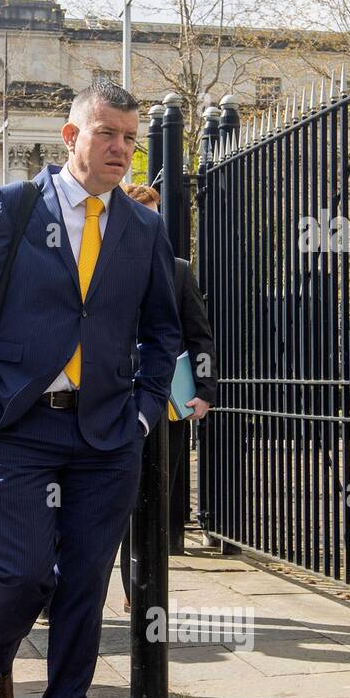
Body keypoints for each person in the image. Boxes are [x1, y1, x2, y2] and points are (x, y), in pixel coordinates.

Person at [0, 81, 182, 698]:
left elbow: (162, 331)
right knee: (25, 571)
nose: (120, 149)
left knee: (84, 584)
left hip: (107, 433)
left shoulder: (143, 230)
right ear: (69, 134)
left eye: (131, 139)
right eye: (107, 133)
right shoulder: (14, 207)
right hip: (17, 423)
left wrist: (143, 412)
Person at [118, 182, 218, 613]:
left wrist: (205, 390)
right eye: (147, 215)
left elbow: (200, 337)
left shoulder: (178, 271)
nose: (155, 224)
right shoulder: (106, 265)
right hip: (113, 402)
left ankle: (140, 591)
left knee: (156, 499)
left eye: (158, 217)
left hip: (166, 406)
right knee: (110, 501)